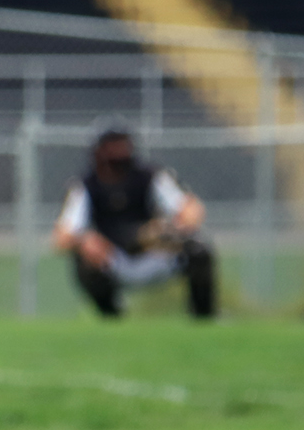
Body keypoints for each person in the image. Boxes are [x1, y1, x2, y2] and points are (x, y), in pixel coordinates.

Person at [51, 127, 215, 319]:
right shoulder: (85, 185)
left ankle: (204, 318)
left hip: (154, 253)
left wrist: (173, 227)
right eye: (113, 147)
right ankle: (111, 317)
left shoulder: (150, 176)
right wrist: (84, 240)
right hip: (114, 257)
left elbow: (189, 210)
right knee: (84, 260)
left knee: (199, 249)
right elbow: (61, 238)